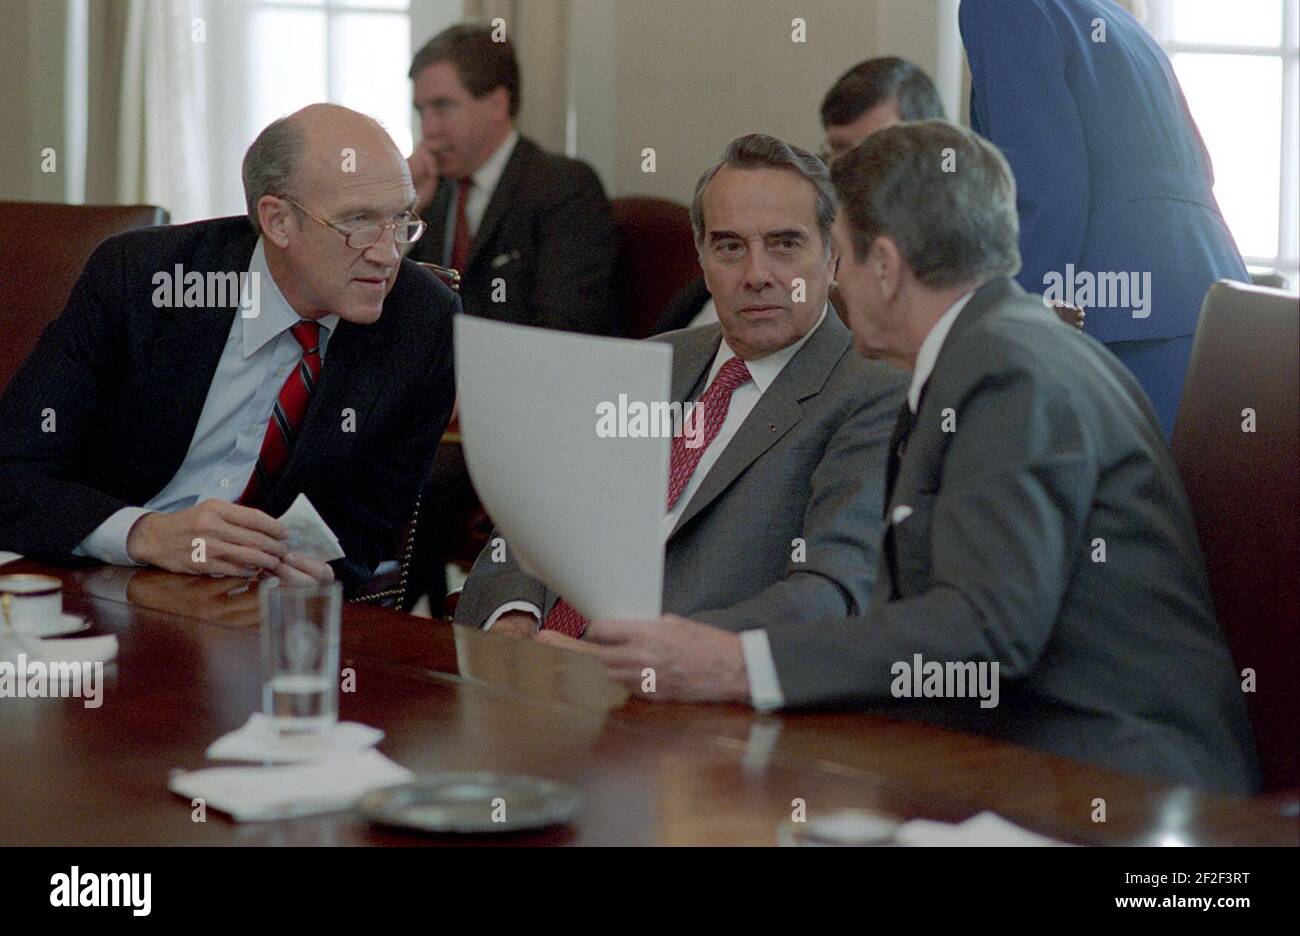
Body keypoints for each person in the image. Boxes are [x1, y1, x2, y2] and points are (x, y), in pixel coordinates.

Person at [563, 120, 1258, 794]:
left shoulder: (1008, 374)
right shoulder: (986, 352)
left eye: (837, 253)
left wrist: (736, 663)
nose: (831, 283)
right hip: (1006, 750)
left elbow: (985, 629)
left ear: (886, 266)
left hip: (1117, 780)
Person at [457, 134, 906, 715]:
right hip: (536, 684)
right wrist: (514, 619)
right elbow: (532, 521)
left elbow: (831, 591)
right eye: (729, 247)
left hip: (687, 713)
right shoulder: (653, 361)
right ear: (701, 257)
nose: (756, 274)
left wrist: (656, 653)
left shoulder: (870, 394)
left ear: (834, 257)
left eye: (785, 245)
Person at [0, 104, 457, 595]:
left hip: (248, 610)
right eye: (359, 223)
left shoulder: (423, 322)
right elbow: (11, 471)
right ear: (277, 221)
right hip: (93, 580)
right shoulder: (143, 279)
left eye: (401, 219)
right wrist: (144, 534)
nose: (387, 253)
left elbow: (369, 531)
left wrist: (318, 574)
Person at [404, 23, 620, 609]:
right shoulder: (433, 196)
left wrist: (465, 391)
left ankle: (388, 635)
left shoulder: (562, 188)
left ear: (498, 102)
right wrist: (401, 218)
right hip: (441, 414)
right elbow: (396, 320)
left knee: (412, 477)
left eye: (444, 106)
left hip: (532, 419)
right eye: (421, 108)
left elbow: (567, 335)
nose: (429, 128)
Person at [960, 0, 1250, 437]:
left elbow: (1043, 184)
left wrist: (1019, 327)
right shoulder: (1114, 17)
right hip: (1213, 297)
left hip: (1118, 319)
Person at [655, 56, 943, 335]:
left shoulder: (951, 264)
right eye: (841, 149)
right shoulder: (804, 224)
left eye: (875, 150)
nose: (852, 169)